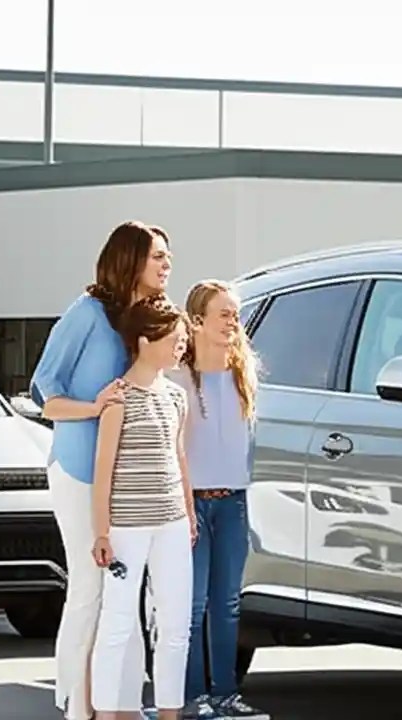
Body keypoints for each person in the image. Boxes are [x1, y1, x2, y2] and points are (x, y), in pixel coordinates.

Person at [30, 220, 174, 720]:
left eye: (166, 256)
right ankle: (75, 704)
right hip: (78, 471)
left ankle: (117, 701)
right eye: (157, 255)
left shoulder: (143, 317)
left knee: (125, 595)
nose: (166, 264)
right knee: (89, 587)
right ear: (129, 258)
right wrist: (95, 407)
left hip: (127, 476)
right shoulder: (86, 313)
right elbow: (45, 395)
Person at [89, 294, 197, 720]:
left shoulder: (175, 397)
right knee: (117, 623)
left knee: (175, 626)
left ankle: (170, 712)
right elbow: (104, 470)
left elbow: (179, 457)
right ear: (145, 340)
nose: (181, 347)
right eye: (176, 338)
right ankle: (107, 712)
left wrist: (188, 513)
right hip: (126, 530)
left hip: (171, 525)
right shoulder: (118, 398)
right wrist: (101, 531)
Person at [171, 280, 267, 720]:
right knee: (192, 606)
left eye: (236, 313)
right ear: (197, 322)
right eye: (223, 313)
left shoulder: (242, 377)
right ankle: (193, 699)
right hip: (190, 503)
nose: (233, 321)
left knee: (227, 604)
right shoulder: (177, 381)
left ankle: (226, 693)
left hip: (233, 503)